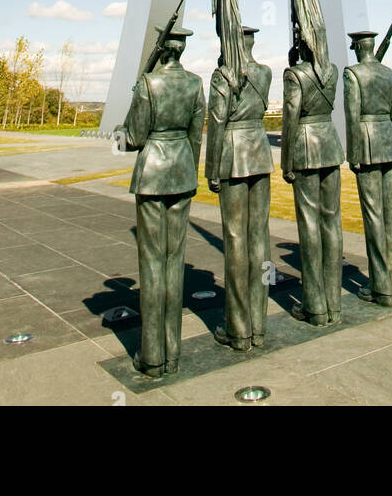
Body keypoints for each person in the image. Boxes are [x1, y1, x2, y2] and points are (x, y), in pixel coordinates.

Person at [121, 27, 205, 379]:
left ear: (162, 50)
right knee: (175, 261)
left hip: (153, 173)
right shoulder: (195, 84)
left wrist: (134, 102)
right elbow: (195, 134)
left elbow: (133, 137)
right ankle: (173, 352)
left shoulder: (149, 84)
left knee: (152, 263)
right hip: (182, 170)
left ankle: (153, 356)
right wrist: (189, 167)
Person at [206, 26, 273, 352]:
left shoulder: (223, 76)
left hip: (232, 155)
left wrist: (211, 169)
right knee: (260, 238)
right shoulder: (265, 74)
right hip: (259, 154)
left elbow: (217, 122)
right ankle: (259, 325)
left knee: (235, 240)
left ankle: (238, 329)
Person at [281, 36, 344, 326]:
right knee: (332, 221)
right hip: (330, 145)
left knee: (309, 224)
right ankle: (334, 303)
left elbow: (291, 115)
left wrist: (286, 161)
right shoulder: (331, 70)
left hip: (306, 147)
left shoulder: (295, 75)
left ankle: (315, 306)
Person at [343, 32, 392, 306]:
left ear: (357, 48)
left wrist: (354, 154)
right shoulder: (390, 74)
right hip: (390, 143)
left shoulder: (352, 75)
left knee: (374, 216)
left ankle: (380, 287)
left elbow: (352, 116)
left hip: (368, 146)